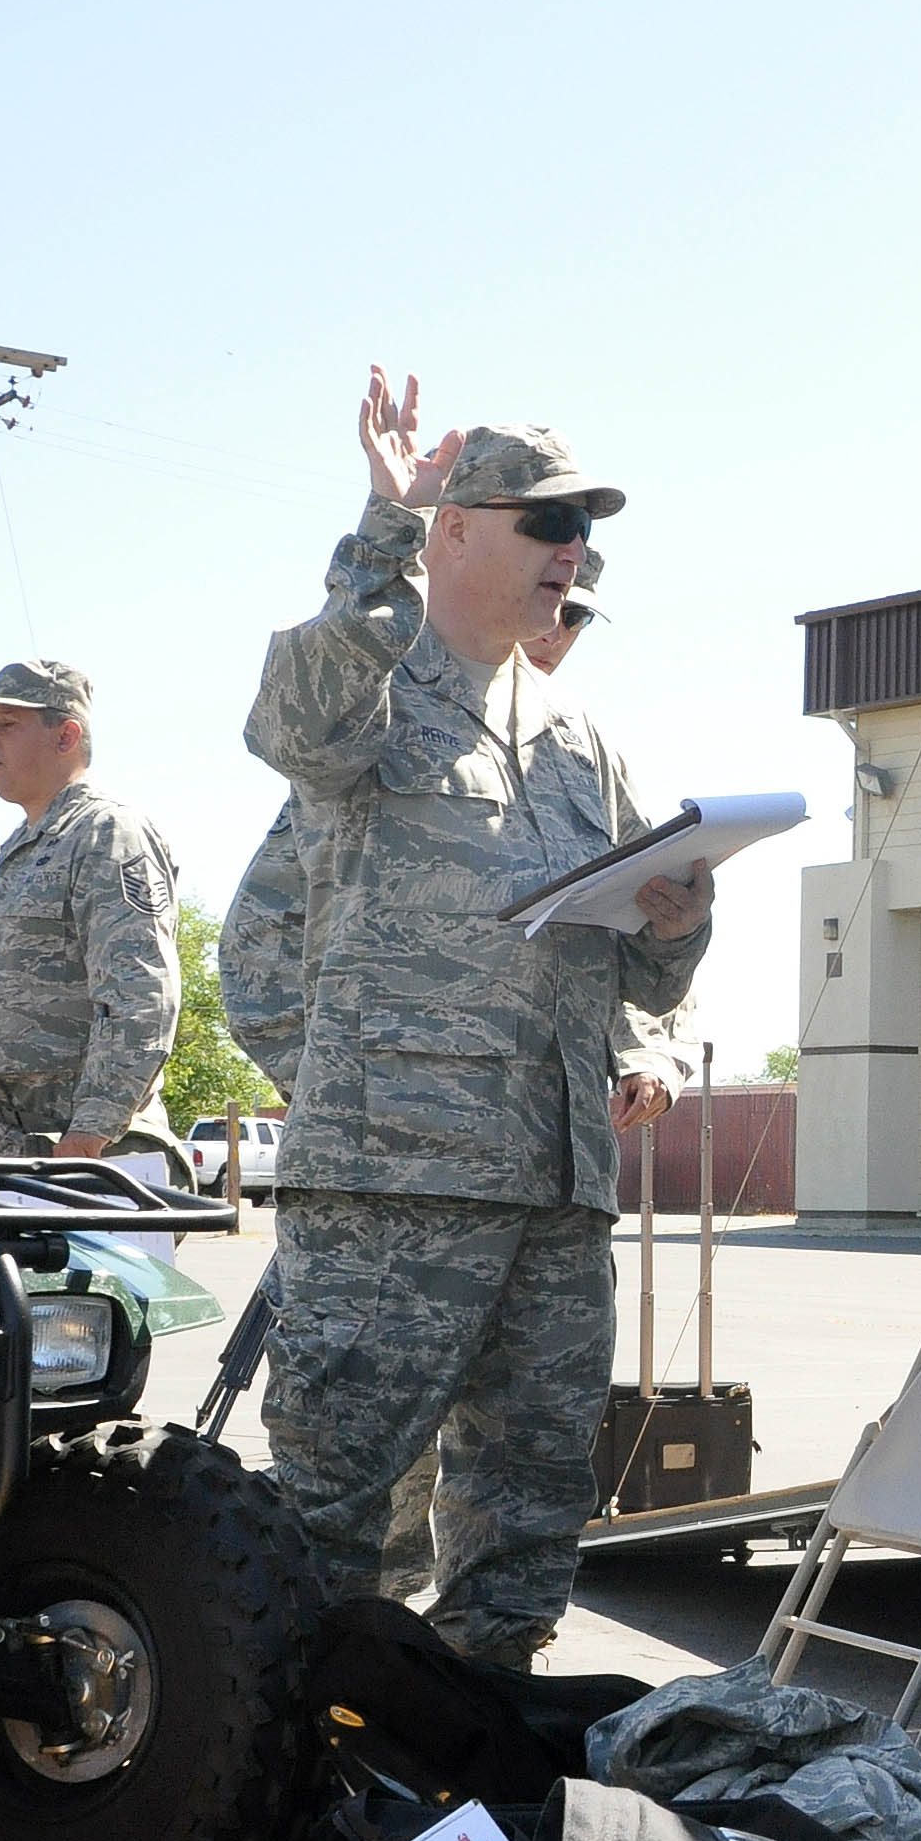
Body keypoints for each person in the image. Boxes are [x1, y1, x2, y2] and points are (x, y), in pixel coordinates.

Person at [244, 375, 711, 1665]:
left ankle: (476, 1765)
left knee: (526, 1524)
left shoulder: (578, 742)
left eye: (586, 530)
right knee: (339, 1525)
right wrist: (379, 525)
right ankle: (303, 1803)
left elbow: (639, 983)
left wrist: (674, 927)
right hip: (395, 1186)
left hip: (558, 1193)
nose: (573, 551)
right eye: (545, 522)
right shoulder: (369, 699)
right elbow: (290, 715)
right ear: (456, 530)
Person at [0, 656, 180, 1162]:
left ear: (66, 736)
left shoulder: (107, 833)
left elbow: (140, 993)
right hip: (20, 1153)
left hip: (86, 1152)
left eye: (6, 726)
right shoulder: (21, 848)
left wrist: (91, 1132)